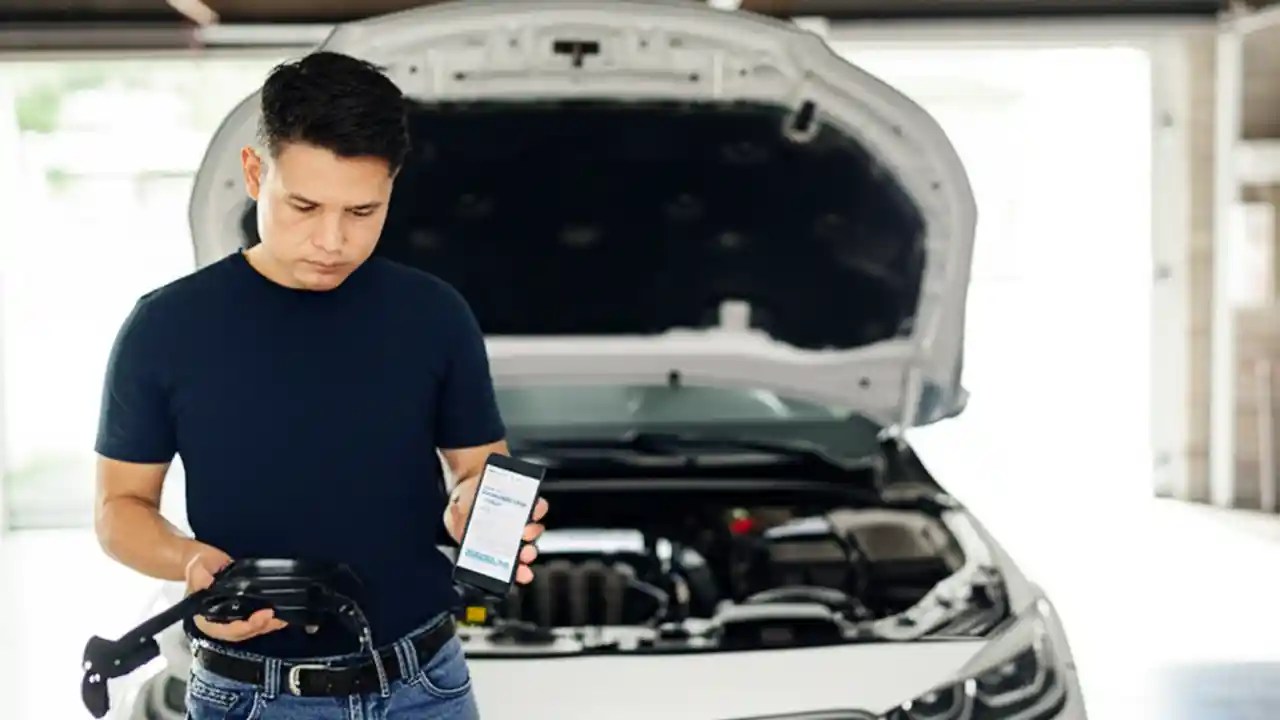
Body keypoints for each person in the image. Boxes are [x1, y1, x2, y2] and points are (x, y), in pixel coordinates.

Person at [92, 50, 546, 720]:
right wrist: (186, 560)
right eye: (304, 205)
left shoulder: (435, 314)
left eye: (363, 211)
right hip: (251, 695)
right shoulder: (165, 328)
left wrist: (474, 508)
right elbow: (119, 509)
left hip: (428, 685)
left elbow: (478, 469)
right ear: (254, 173)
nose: (332, 240)